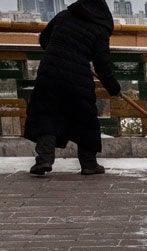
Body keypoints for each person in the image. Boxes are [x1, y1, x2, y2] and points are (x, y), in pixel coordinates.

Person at [23, 0, 121, 177]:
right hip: (77, 75)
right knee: (85, 117)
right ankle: (89, 164)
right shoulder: (100, 28)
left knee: (47, 113)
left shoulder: (64, 15)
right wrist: (114, 88)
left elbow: (44, 39)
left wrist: (60, 51)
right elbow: (102, 64)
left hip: (49, 71)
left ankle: (43, 159)